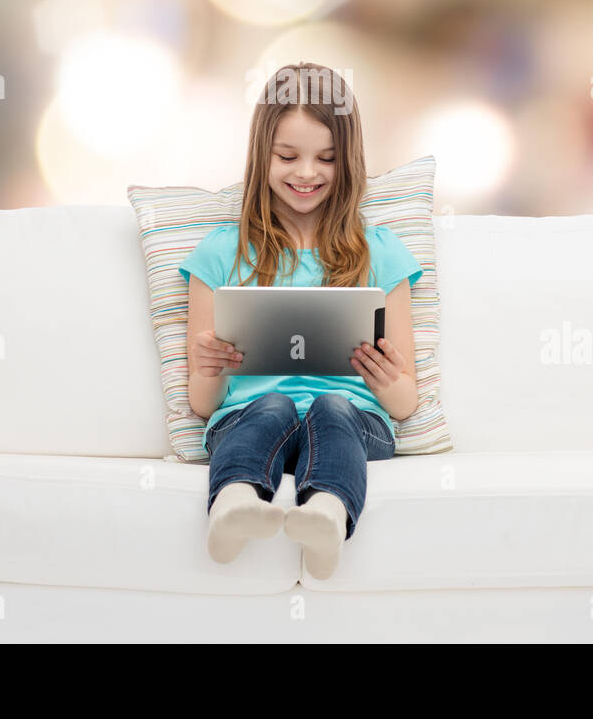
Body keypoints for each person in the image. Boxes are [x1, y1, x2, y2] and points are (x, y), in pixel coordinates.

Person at [179, 63, 423, 579]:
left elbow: (405, 404)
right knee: (272, 403)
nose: (307, 172)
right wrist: (210, 367)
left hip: (354, 424)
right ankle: (233, 505)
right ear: (261, 154)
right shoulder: (221, 253)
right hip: (250, 419)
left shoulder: (381, 255)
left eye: (326, 158)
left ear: (348, 161)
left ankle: (326, 517)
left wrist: (388, 379)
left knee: (333, 406)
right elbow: (203, 404)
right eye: (288, 156)